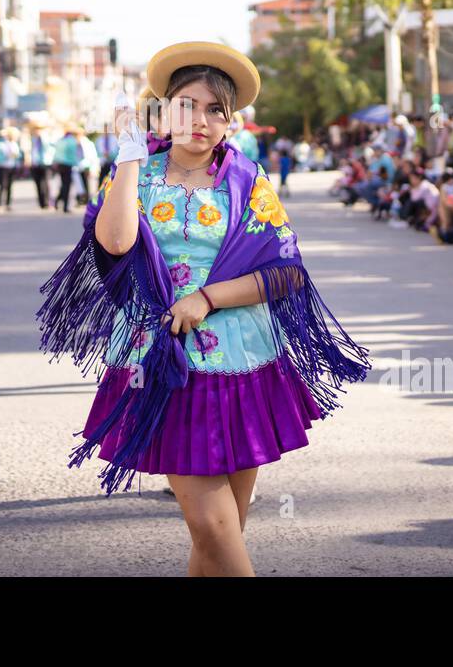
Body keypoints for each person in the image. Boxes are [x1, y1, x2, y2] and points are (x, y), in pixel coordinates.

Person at [38, 41, 371, 577]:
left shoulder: (248, 180)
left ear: (230, 122)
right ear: (162, 111)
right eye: (187, 105)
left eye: (216, 110)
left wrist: (207, 297)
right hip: (163, 363)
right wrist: (127, 157)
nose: (201, 120)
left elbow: (285, 272)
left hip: (246, 361)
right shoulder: (136, 174)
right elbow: (116, 243)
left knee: (223, 532)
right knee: (214, 528)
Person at [0, 126, 24, 214]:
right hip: (3, 166)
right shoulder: (0, 144)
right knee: (2, 185)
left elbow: (19, 155)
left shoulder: (14, 144)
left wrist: (16, 156)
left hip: (12, 166)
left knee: (10, 186)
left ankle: (8, 204)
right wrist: (5, 157)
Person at [51, 122, 82, 213]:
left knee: (64, 184)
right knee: (66, 185)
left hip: (60, 164)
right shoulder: (72, 141)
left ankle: (57, 201)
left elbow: (56, 153)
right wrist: (76, 164)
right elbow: (74, 154)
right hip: (68, 165)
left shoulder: (61, 140)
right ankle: (64, 206)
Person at [27, 121, 54, 210]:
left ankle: (47, 202)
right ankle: (41, 202)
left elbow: (50, 148)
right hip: (35, 163)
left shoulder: (46, 138)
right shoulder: (32, 139)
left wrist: (43, 137)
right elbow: (29, 150)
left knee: (46, 183)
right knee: (38, 183)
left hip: (45, 163)